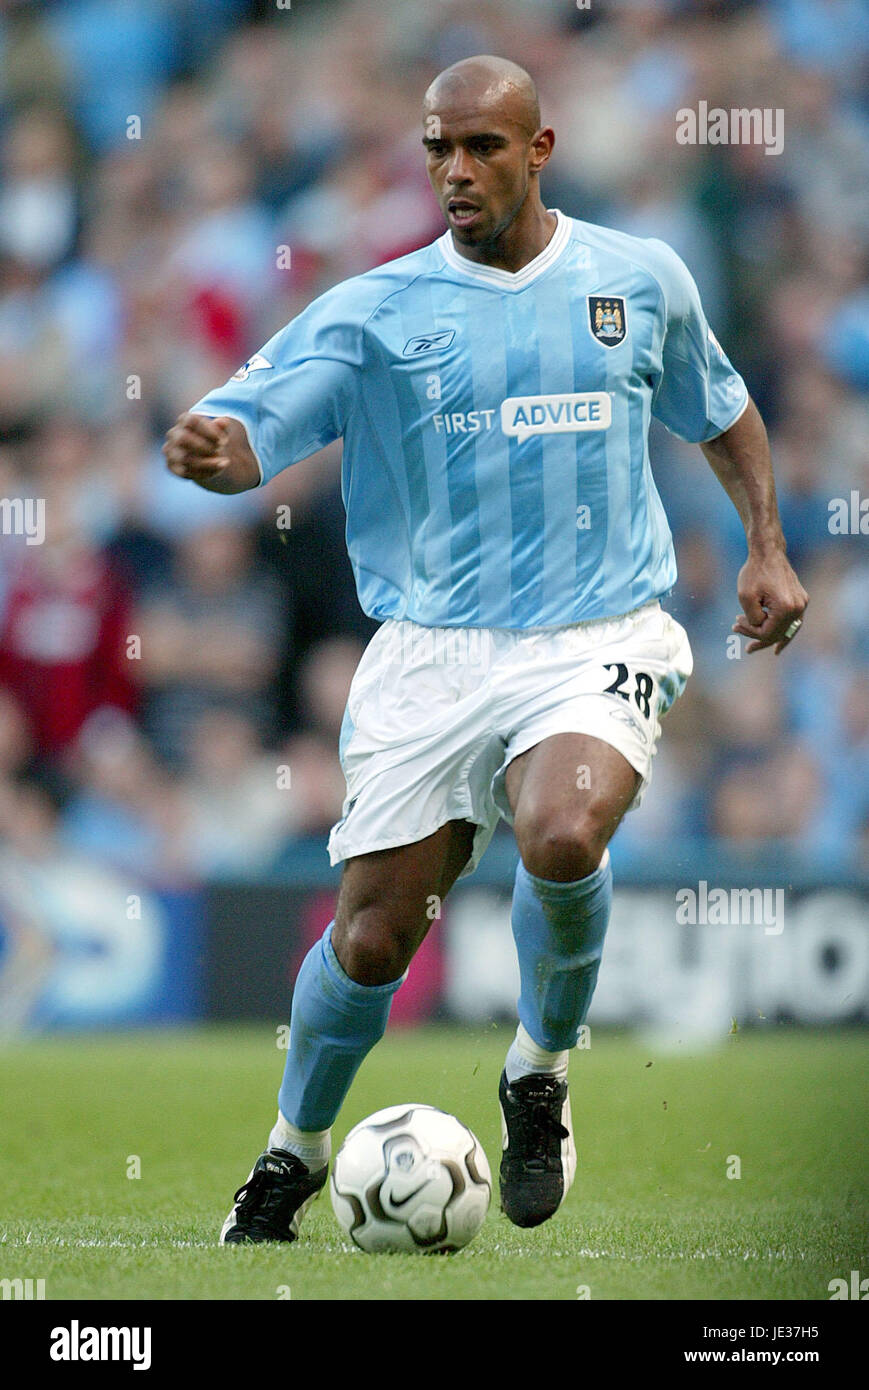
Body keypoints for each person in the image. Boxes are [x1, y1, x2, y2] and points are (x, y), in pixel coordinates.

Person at [163, 55, 808, 1241]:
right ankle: (292, 1151)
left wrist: (765, 545)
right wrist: (218, 455)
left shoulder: (637, 278)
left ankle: (538, 1071)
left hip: (595, 630)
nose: (454, 171)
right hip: (431, 652)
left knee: (562, 833)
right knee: (372, 936)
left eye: (481, 148)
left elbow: (720, 408)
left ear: (539, 148)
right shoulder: (373, 310)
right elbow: (252, 430)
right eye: (435, 150)